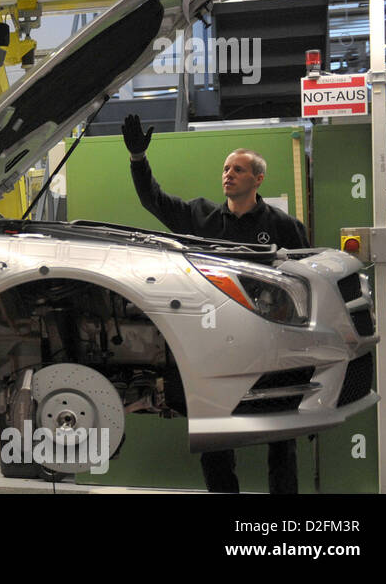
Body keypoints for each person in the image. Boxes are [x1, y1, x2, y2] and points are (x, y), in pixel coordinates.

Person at [122, 113, 308, 494]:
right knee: (215, 435)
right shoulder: (200, 215)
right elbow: (152, 199)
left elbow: (306, 279)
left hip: (271, 343)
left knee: (281, 434)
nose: (229, 174)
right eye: (226, 168)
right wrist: (138, 160)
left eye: (238, 169)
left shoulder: (283, 225)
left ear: (258, 179)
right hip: (214, 342)